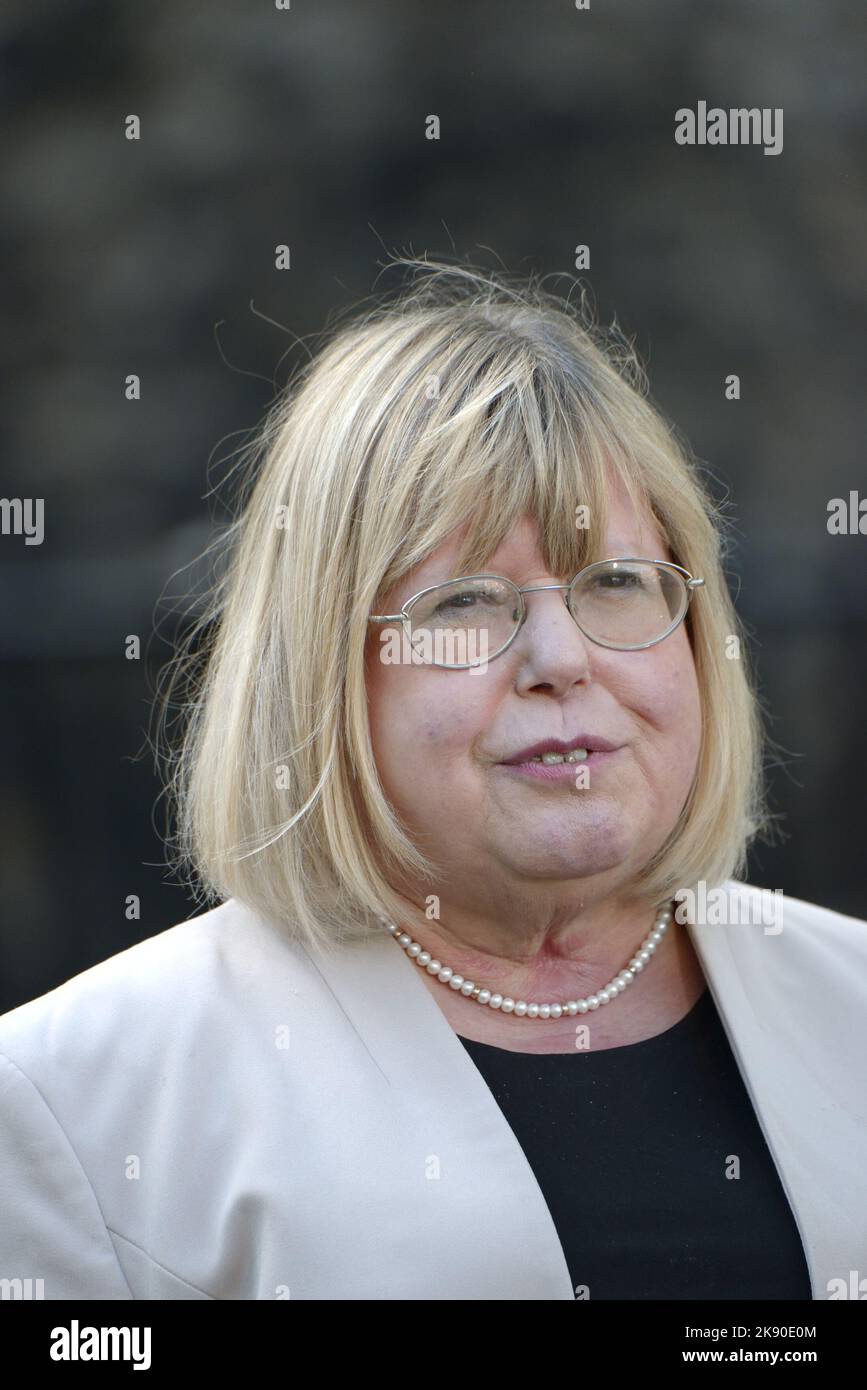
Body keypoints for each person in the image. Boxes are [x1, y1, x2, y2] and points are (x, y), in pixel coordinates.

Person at [1, 258, 865, 1301]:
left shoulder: (847, 1004)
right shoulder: (73, 1099)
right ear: (325, 670)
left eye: (617, 581)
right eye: (465, 602)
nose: (561, 656)